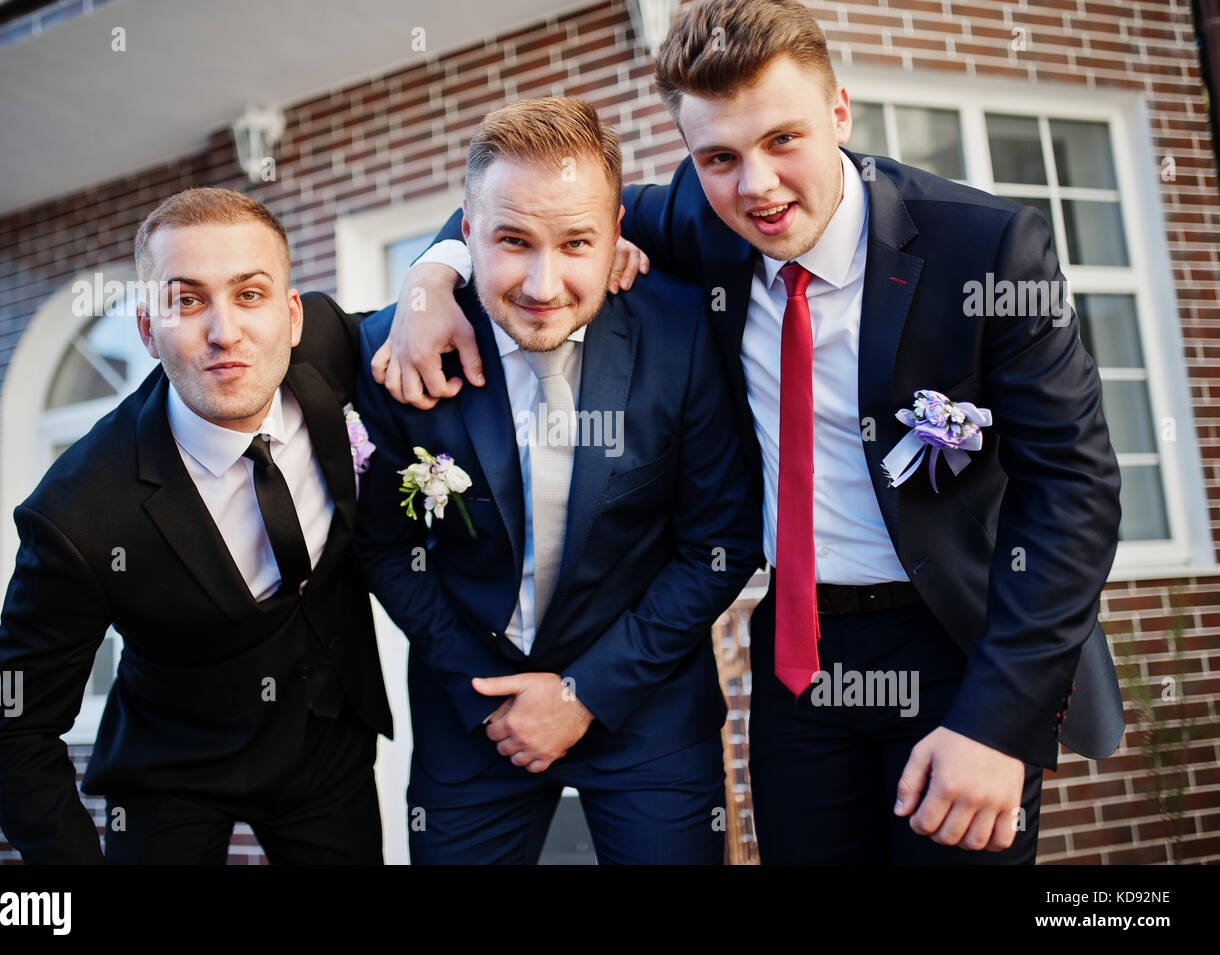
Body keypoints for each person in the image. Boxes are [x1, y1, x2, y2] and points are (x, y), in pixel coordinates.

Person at [372, 0, 1124, 864]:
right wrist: (431, 280)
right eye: (719, 156)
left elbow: (1076, 494)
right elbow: (522, 200)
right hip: (800, 658)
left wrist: (998, 722)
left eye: (783, 141)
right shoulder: (700, 217)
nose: (756, 186)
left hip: (963, 641)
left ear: (839, 111)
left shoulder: (986, 250)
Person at [353, 97, 762, 864]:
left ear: (617, 241)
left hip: (645, 698)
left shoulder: (682, 331)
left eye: (576, 242)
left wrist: (584, 694)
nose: (544, 283)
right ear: (468, 235)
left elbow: (720, 543)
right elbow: (382, 547)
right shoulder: (395, 350)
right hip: (473, 705)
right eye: (513, 241)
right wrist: (483, 689)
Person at [0, 187, 392, 864]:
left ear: (290, 316)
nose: (224, 331)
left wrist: (443, 263)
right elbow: (13, 731)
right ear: (146, 329)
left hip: (325, 742)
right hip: (170, 766)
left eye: (249, 294)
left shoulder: (330, 348)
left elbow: (465, 288)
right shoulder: (76, 512)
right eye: (187, 300)